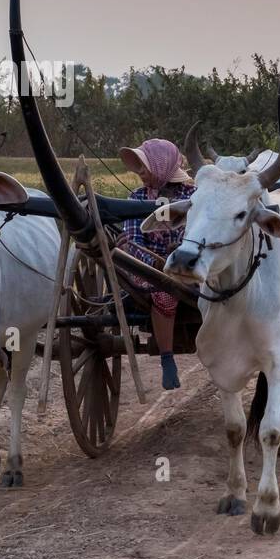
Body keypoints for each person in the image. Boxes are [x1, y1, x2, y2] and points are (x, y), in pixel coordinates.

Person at [117, 138, 196, 391]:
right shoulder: (137, 197)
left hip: (192, 269)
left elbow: (199, 236)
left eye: (144, 166)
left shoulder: (194, 196)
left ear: (162, 166)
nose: (139, 173)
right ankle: (167, 358)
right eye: (138, 167)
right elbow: (133, 240)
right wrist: (157, 265)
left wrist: (181, 255)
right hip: (151, 272)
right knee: (163, 291)